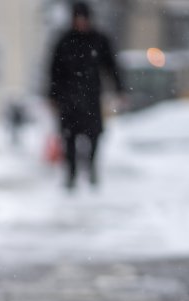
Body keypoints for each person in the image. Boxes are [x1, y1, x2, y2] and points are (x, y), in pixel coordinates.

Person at [47, 1, 124, 190]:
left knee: (95, 135)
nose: (81, 22)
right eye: (77, 18)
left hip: (91, 97)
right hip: (68, 98)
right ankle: (71, 174)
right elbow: (53, 70)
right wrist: (52, 95)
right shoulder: (64, 41)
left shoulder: (99, 39)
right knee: (69, 138)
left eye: (84, 18)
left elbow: (111, 66)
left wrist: (119, 89)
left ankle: (91, 168)